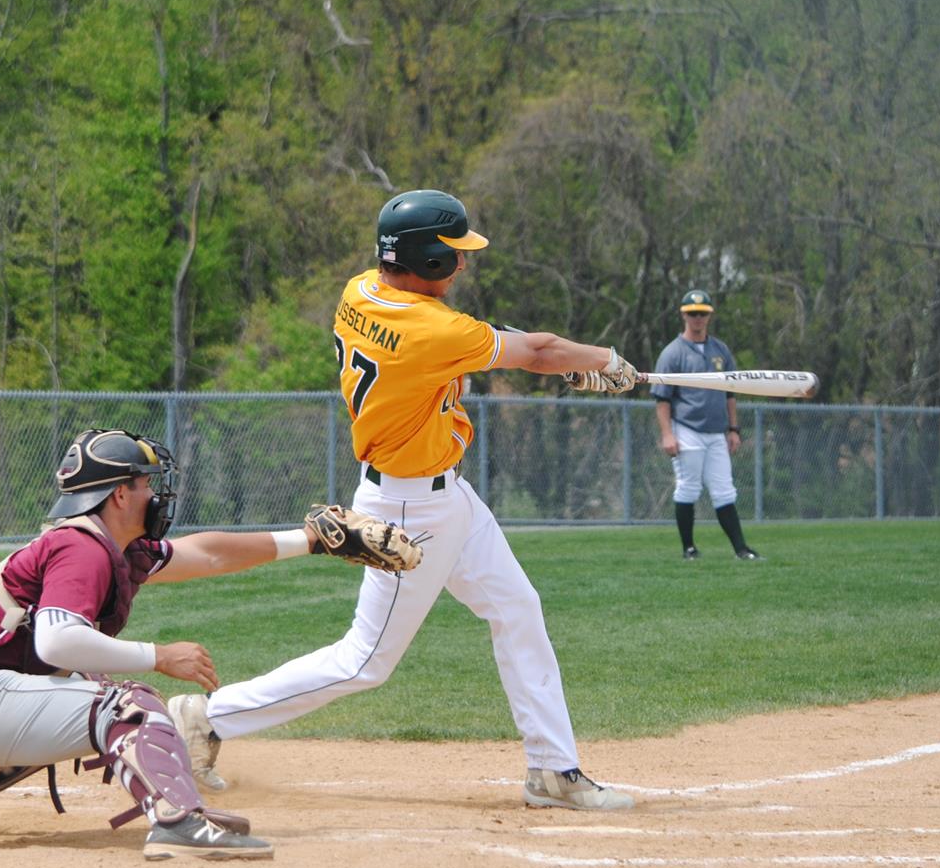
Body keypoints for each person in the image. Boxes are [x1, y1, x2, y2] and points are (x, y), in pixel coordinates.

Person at [168, 189, 640, 812]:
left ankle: (552, 769)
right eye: (453, 253)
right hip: (408, 509)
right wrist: (606, 361)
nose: (462, 264)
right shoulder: (433, 328)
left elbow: (485, 344)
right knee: (365, 660)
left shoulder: (361, 290)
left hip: (446, 494)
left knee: (517, 608)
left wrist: (564, 364)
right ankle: (209, 718)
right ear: (427, 259)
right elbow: (531, 350)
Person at [0, 428, 404, 860]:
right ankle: (178, 821)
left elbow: (209, 554)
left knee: (82, 687)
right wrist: (159, 656)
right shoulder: (81, 548)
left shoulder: (105, 544)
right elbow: (57, 641)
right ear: (119, 495)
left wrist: (309, 541)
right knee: (127, 705)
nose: (154, 496)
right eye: (145, 484)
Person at [650, 289, 761, 561]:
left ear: (709, 316)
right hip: (687, 428)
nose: (697, 318)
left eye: (702, 313)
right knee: (688, 487)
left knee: (724, 490)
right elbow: (662, 399)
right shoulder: (672, 353)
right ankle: (688, 549)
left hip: (717, 431)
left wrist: (733, 429)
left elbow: (730, 393)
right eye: (692, 314)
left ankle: (741, 549)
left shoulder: (720, 350)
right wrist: (667, 434)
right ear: (684, 315)